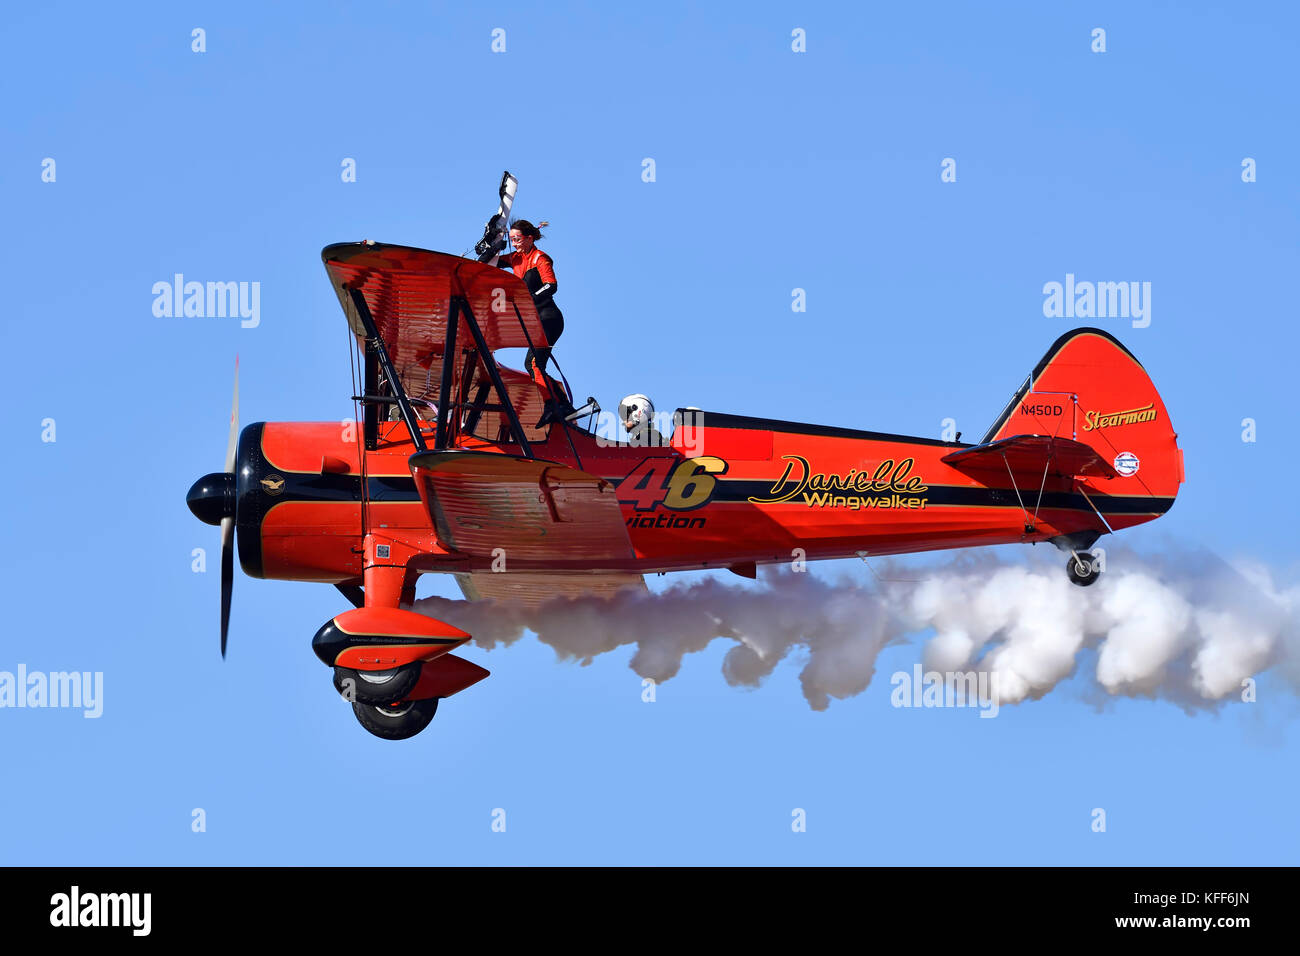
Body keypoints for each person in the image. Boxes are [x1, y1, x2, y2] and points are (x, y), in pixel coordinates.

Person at [492, 220, 572, 426]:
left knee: (535, 363)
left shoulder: (540, 258)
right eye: (511, 240)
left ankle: (555, 404)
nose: (515, 243)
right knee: (532, 364)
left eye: (517, 239)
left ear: (529, 238)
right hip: (538, 320)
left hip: (549, 318)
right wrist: (490, 243)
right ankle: (559, 404)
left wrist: (530, 299)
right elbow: (492, 261)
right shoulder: (515, 258)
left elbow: (551, 285)